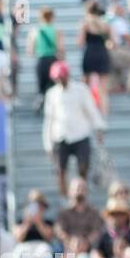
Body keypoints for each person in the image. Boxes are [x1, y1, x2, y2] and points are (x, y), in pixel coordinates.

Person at [42, 62, 106, 195]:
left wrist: (99, 127)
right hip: (61, 136)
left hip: (80, 134)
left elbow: (91, 110)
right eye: (57, 78)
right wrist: (47, 144)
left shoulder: (80, 89)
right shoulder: (52, 94)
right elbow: (49, 119)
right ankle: (64, 196)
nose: (60, 80)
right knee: (60, 170)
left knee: (83, 166)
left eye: (62, 77)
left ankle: (81, 193)